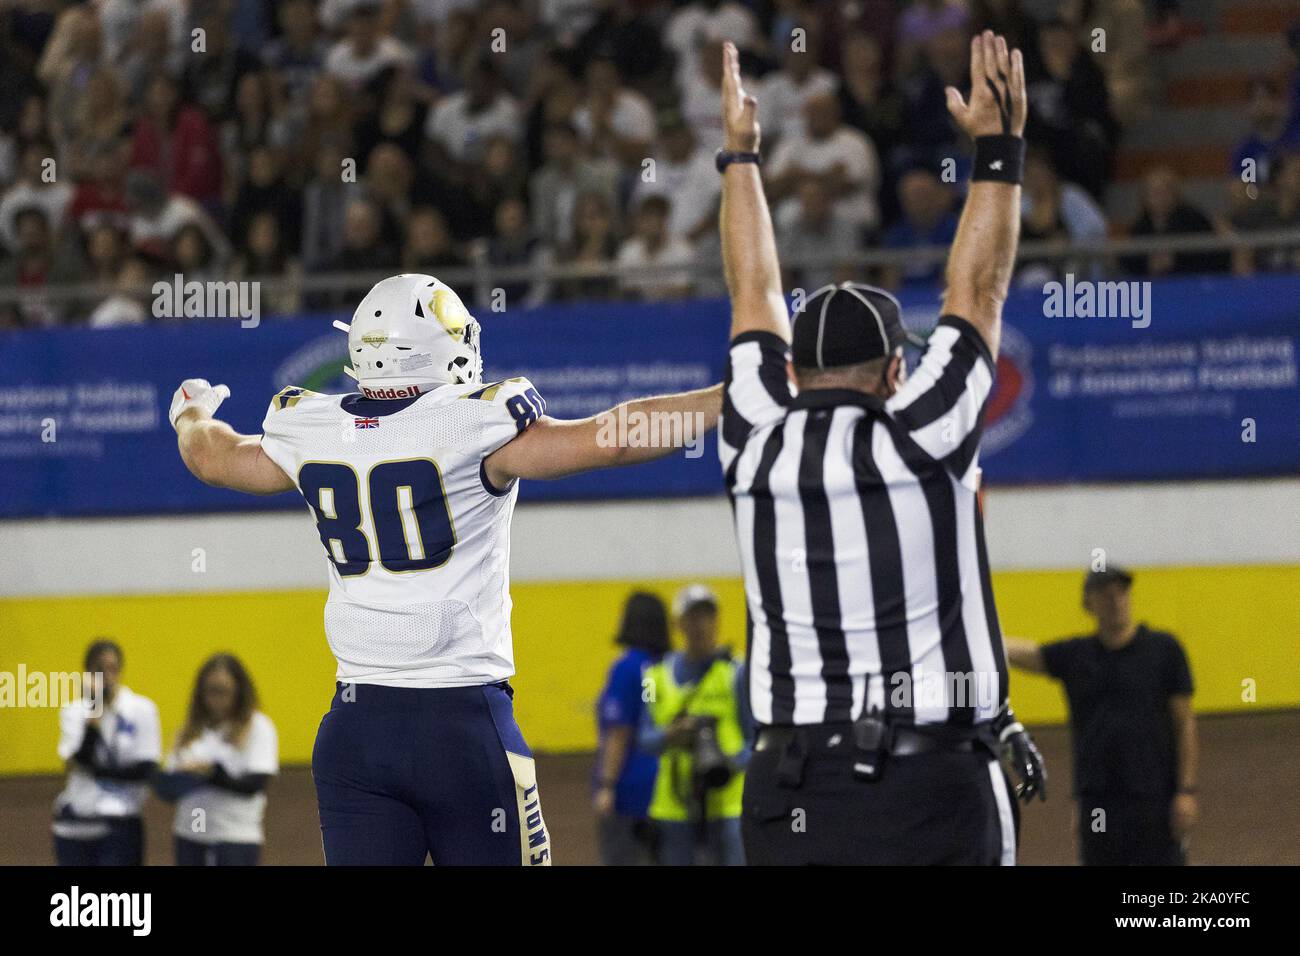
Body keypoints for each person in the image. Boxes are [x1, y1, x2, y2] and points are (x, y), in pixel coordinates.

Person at [168, 274, 722, 865]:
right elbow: (612, 439)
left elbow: (211, 456)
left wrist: (191, 414)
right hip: (462, 725)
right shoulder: (471, 424)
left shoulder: (312, 429)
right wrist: (726, 401)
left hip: (355, 731)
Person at [715, 34, 1045, 866]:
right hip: (922, 788)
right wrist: (998, 152)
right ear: (896, 369)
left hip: (786, 793)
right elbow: (978, 289)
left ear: (793, 369)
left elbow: (751, 288)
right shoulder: (925, 429)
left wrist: (740, 154)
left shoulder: (751, 429)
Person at [1004, 567, 1198, 866]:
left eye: (1121, 593)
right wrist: (983, 639)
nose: (1116, 601)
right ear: (1089, 603)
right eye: (1106, 595)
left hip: (1154, 798)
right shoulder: (1078, 656)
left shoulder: (1164, 651)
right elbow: (1031, 653)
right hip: (1098, 801)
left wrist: (1185, 790)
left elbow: (1184, 723)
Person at [640, 585, 749, 866]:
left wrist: (728, 762)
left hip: (728, 802)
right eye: (693, 618)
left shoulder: (736, 673)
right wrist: (672, 734)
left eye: (707, 617)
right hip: (674, 802)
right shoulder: (653, 679)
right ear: (678, 624)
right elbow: (645, 738)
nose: (701, 626)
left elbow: (756, 738)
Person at [154, 654, 279, 866]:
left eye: (223, 691)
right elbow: (172, 783)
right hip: (191, 830)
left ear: (239, 691)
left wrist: (211, 773)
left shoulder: (258, 727)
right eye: (210, 691)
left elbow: (254, 785)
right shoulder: (189, 730)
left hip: (233, 834)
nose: (216, 699)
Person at [52, 639, 161, 866]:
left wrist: (98, 772)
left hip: (122, 820)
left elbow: (145, 770)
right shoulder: (74, 711)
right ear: (88, 673)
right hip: (80, 817)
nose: (107, 676)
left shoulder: (142, 710)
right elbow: (80, 759)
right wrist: (95, 716)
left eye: (112, 669)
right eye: (99, 670)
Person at [592, 592, 671, 866]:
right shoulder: (670, 667)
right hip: (669, 789)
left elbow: (619, 732)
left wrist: (606, 785)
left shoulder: (626, 668)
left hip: (630, 789)